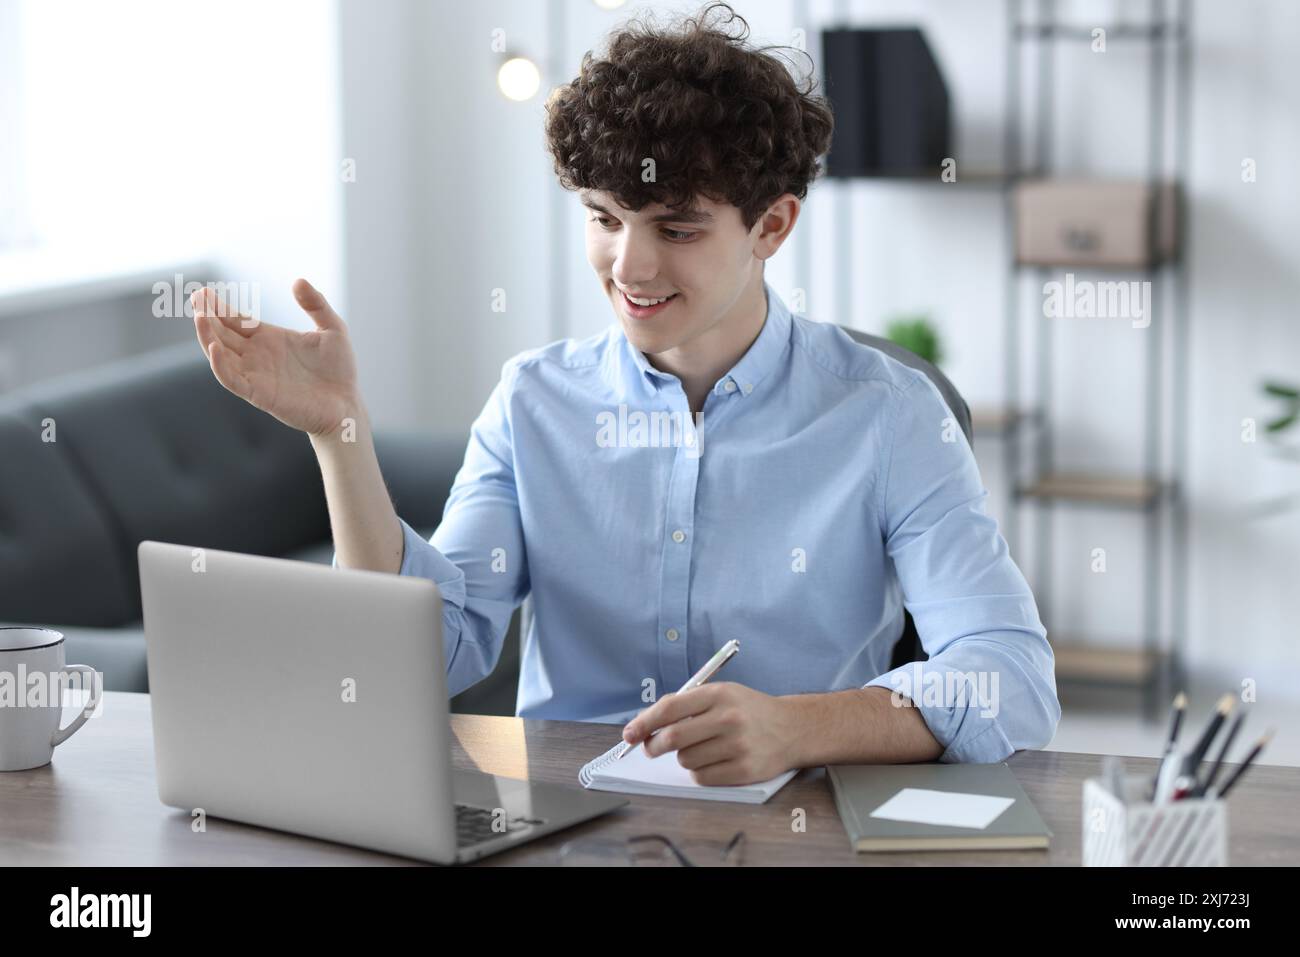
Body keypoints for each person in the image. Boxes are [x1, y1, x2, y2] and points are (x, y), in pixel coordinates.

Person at [192, 2, 1058, 786]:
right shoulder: (532, 402)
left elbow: (1011, 678)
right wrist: (340, 434)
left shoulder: (888, 414)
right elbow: (428, 656)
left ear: (771, 225)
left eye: (676, 229)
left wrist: (795, 727)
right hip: (564, 824)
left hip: (792, 827)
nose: (630, 267)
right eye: (605, 219)